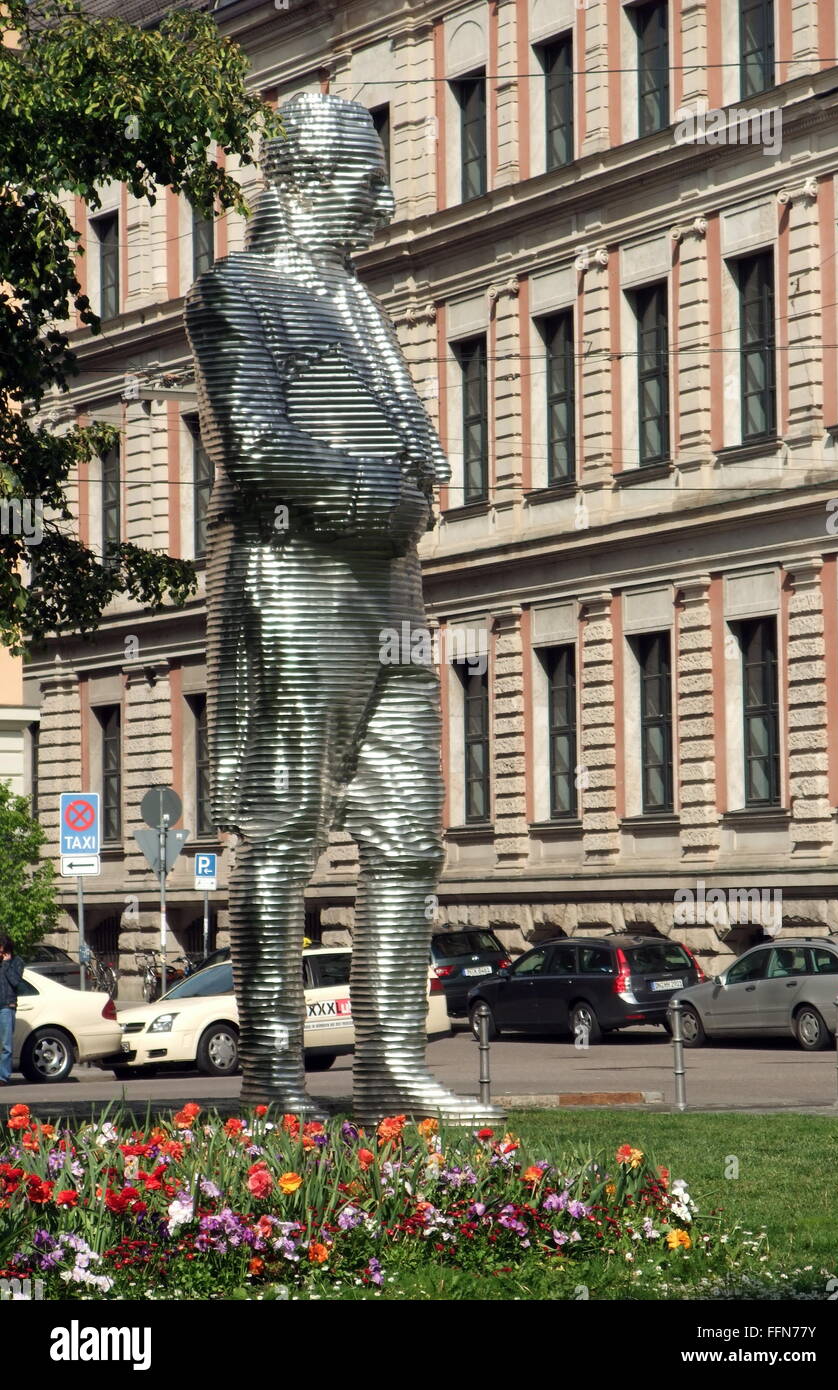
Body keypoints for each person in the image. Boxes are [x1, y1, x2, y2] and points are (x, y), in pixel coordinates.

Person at [185, 93, 501, 1124]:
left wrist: (414, 477)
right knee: (280, 837)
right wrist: (384, 491)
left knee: (409, 839)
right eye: (367, 183)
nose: (385, 201)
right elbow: (260, 443)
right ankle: (273, 1079)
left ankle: (389, 1067)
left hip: (390, 590)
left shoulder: (358, 299)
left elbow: (415, 437)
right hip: (293, 580)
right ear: (310, 182)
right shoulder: (237, 290)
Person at [0, 936, 23, 1085]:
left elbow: (16, 982)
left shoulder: (17, 962)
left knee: (6, 1045)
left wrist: (7, 964)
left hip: (6, 1007)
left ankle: (3, 1077)